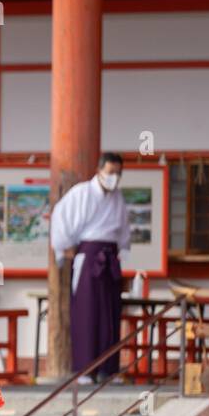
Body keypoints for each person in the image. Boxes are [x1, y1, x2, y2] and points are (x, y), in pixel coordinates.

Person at [50, 152, 131, 382]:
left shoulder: (118, 199)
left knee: (110, 314)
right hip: (89, 257)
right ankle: (85, 369)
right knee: (86, 312)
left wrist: (122, 252)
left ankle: (108, 368)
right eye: (110, 172)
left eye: (118, 173)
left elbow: (123, 231)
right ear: (99, 170)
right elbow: (61, 218)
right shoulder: (81, 193)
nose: (114, 177)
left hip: (110, 259)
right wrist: (63, 248)